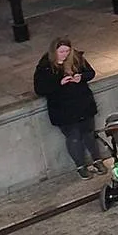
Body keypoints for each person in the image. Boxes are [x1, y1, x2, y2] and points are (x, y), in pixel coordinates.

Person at [33, 37, 103, 178]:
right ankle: (81, 166)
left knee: (89, 133)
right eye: (61, 52)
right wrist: (59, 83)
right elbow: (40, 89)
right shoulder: (45, 66)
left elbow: (90, 73)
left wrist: (81, 77)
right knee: (74, 137)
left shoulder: (77, 58)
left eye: (67, 51)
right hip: (63, 109)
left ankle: (97, 160)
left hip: (83, 103)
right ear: (54, 52)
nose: (65, 54)